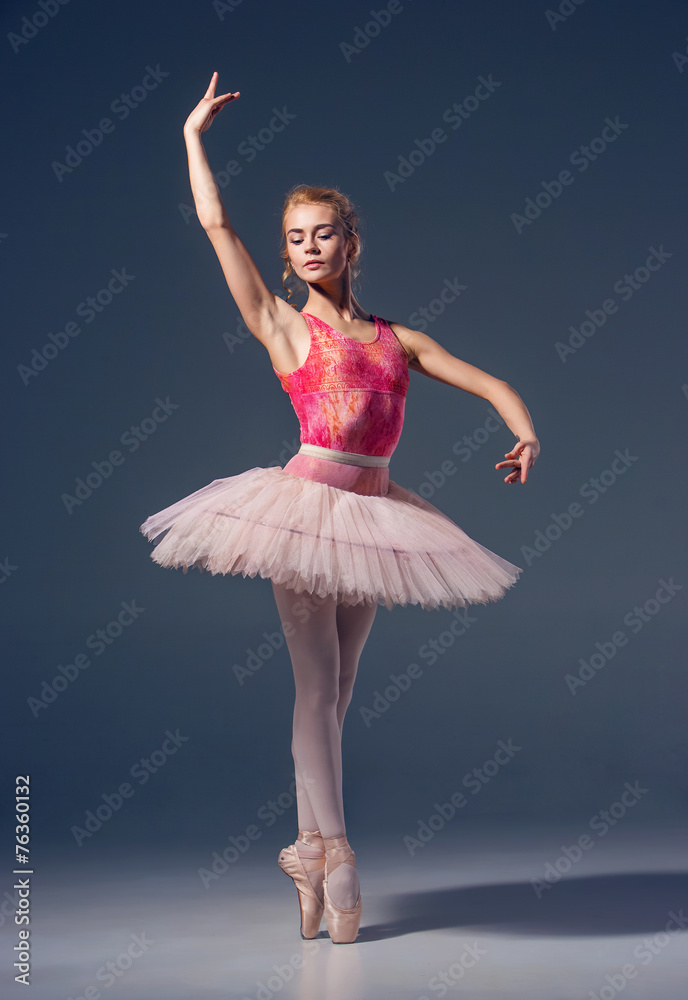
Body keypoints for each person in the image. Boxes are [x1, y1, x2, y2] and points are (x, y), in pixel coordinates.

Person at [139, 72, 540, 944]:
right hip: (307, 509)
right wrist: (191, 137)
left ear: (352, 242)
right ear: (287, 257)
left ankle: (310, 852)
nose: (310, 247)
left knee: (338, 688)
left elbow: (493, 382)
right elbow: (216, 226)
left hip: (377, 513)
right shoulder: (285, 329)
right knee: (317, 687)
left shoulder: (400, 340)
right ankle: (344, 858)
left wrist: (525, 433)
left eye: (325, 233)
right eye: (297, 239)